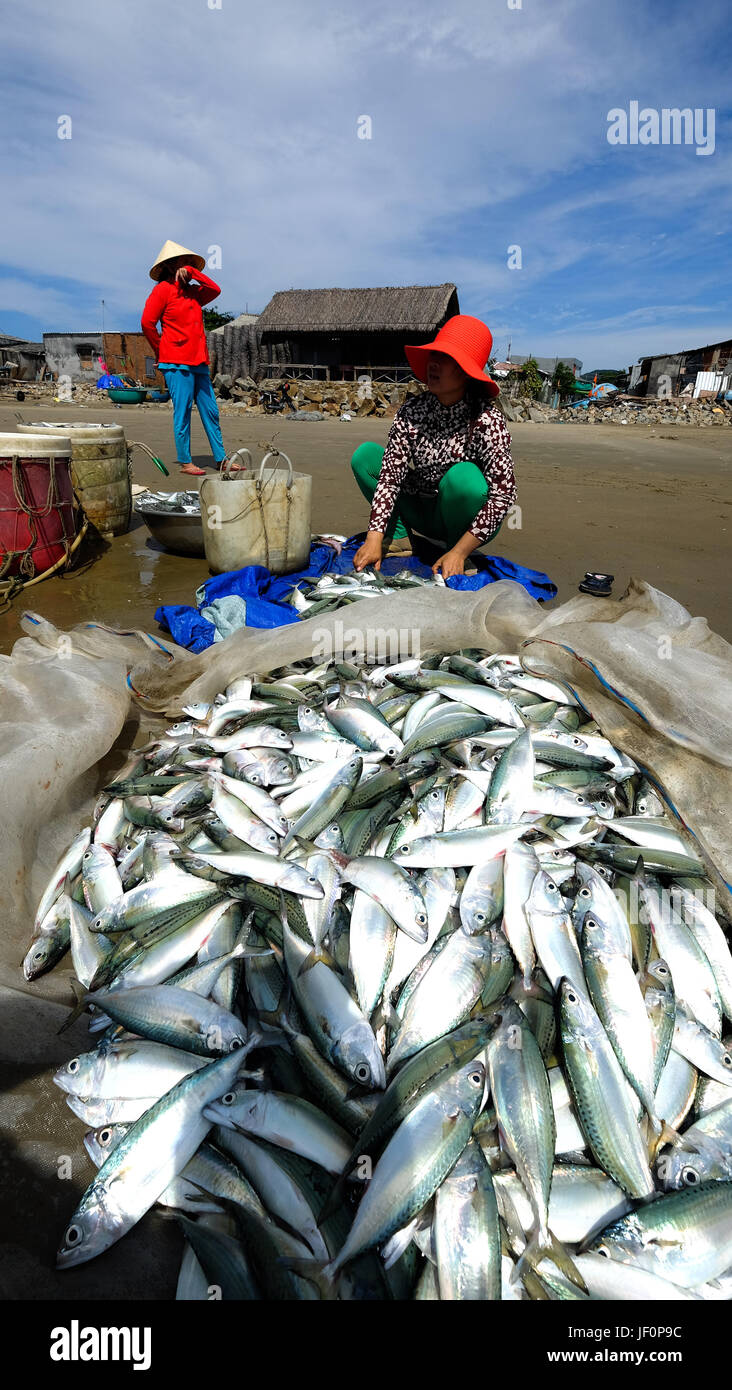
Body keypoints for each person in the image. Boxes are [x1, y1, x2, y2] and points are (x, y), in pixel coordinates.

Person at [351, 315, 517, 579]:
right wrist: (374, 536)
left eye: (446, 358)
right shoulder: (411, 411)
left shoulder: (488, 419)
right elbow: (390, 478)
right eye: (433, 355)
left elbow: (503, 496)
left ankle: (454, 549)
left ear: (465, 371)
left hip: (466, 519)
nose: (434, 364)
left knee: (464, 477)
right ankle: (401, 538)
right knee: (365, 456)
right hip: (421, 508)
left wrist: (461, 552)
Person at [141, 239, 228, 477]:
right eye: (183, 262)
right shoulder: (162, 290)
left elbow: (215, 290)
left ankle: (221, 459)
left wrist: (193, 273)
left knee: (211, 411)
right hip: (176, 362)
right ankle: (185, 461)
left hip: (199, 360)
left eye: (190, 263)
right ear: (169, 266)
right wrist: (162, 351)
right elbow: (147, 323)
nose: (187, 265)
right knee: (183, 411)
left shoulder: (193, 292)